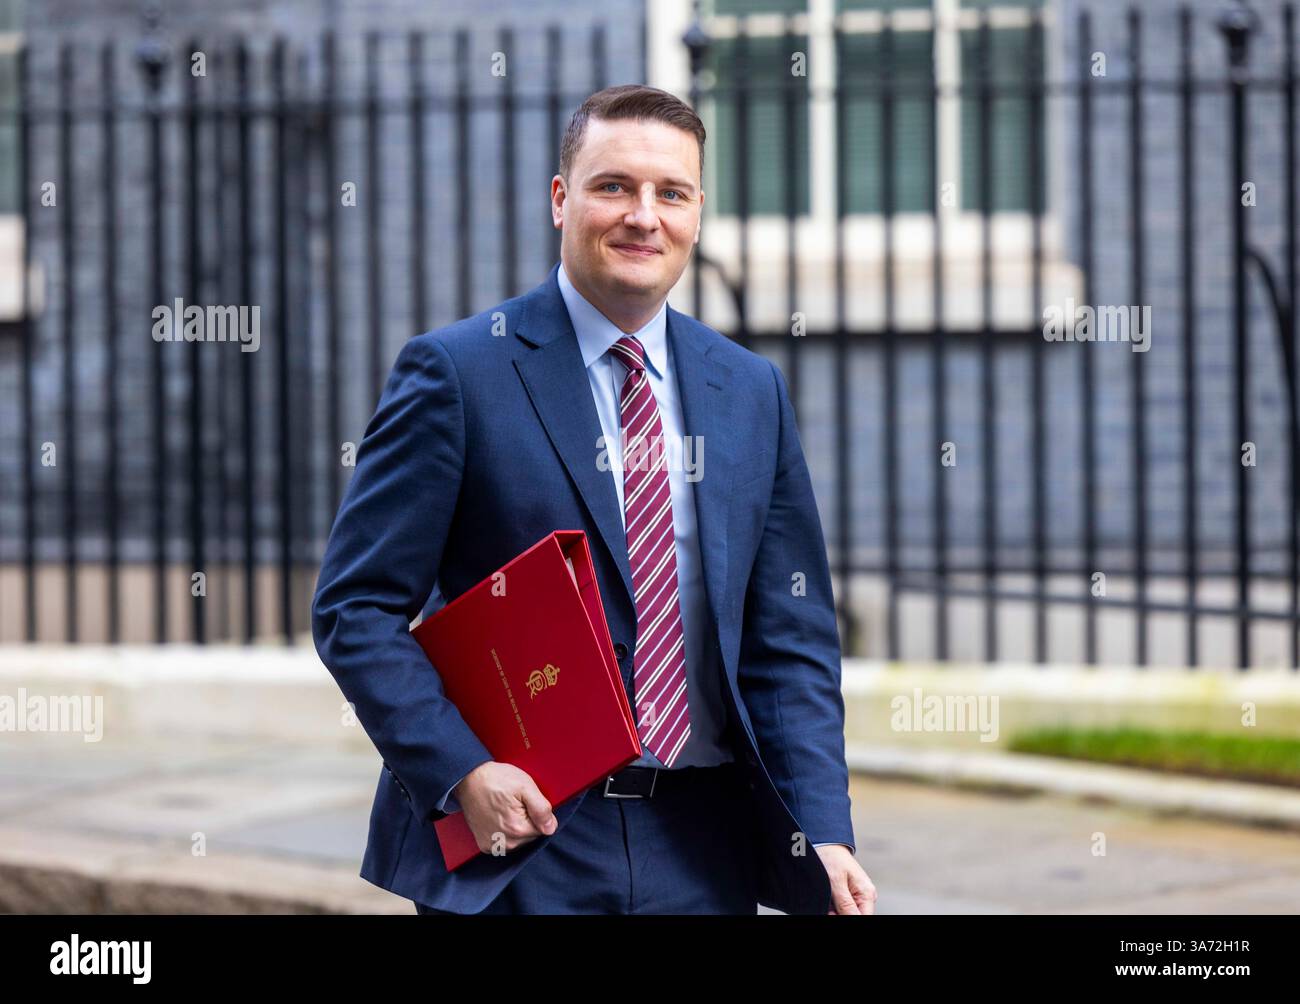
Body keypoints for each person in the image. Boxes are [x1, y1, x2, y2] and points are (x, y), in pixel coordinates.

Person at [311, 84, 875, 915]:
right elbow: (355, 607)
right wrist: (463, 773)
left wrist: (821, 829)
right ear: (560, 198)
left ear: (695, 212)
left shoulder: (750, 390)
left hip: (707, 845)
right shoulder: (459, 373)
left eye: (670, 193)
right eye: (614, 186)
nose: (644, 216)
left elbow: (788, 641)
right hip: (527, 848)